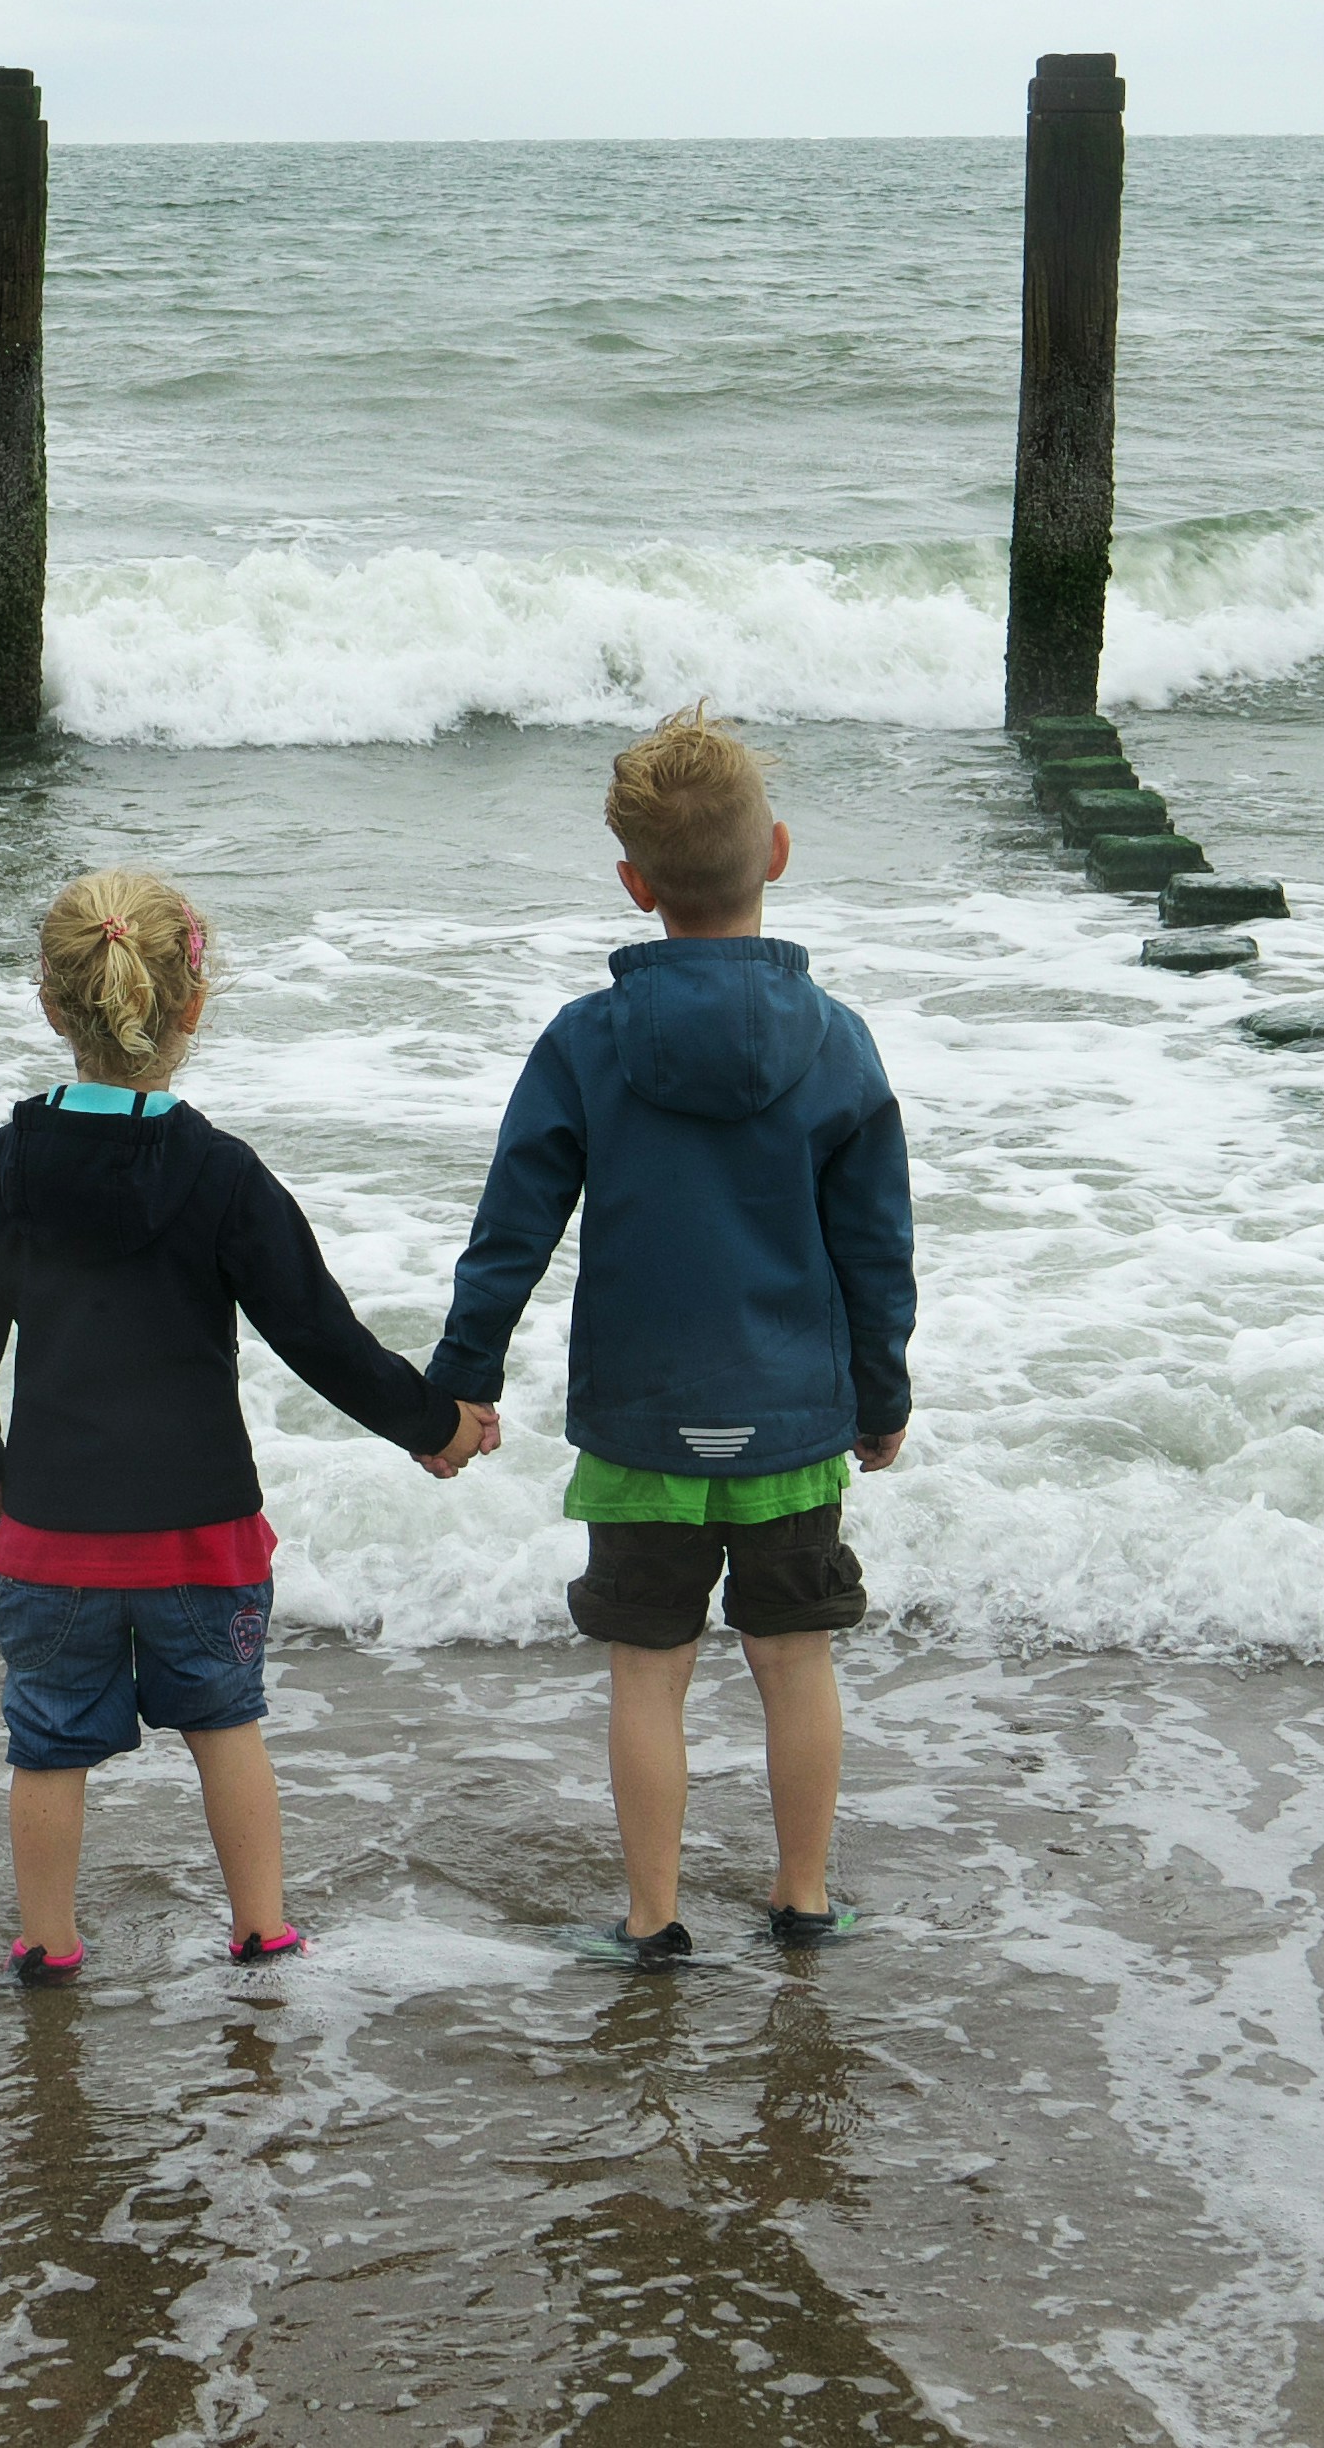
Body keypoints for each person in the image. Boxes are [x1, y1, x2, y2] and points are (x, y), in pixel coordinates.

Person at [0, 865, 491, 1989]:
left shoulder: (8, 1165)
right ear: (192, 1003)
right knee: (226, 1726)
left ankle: (46, 1941)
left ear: (50, 1004)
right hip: (201, 1537)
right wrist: (434, 1423)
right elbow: (318, 1335)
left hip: (53, 1539)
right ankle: (261, 1928)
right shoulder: (220, 1174)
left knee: (47, 1746)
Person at [424, 704, 915, 1969]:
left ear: (635, 884)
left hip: (644, 1422)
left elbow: (511, 1231)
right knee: (794, 1658)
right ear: (781, 854)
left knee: (650, 1673)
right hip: (795, 1414)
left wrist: (461, 1382)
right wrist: (881, 1394)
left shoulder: (587, 1043)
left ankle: (653, 1921)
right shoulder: (838, 1044)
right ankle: (804, 1900)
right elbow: (877, 1249)